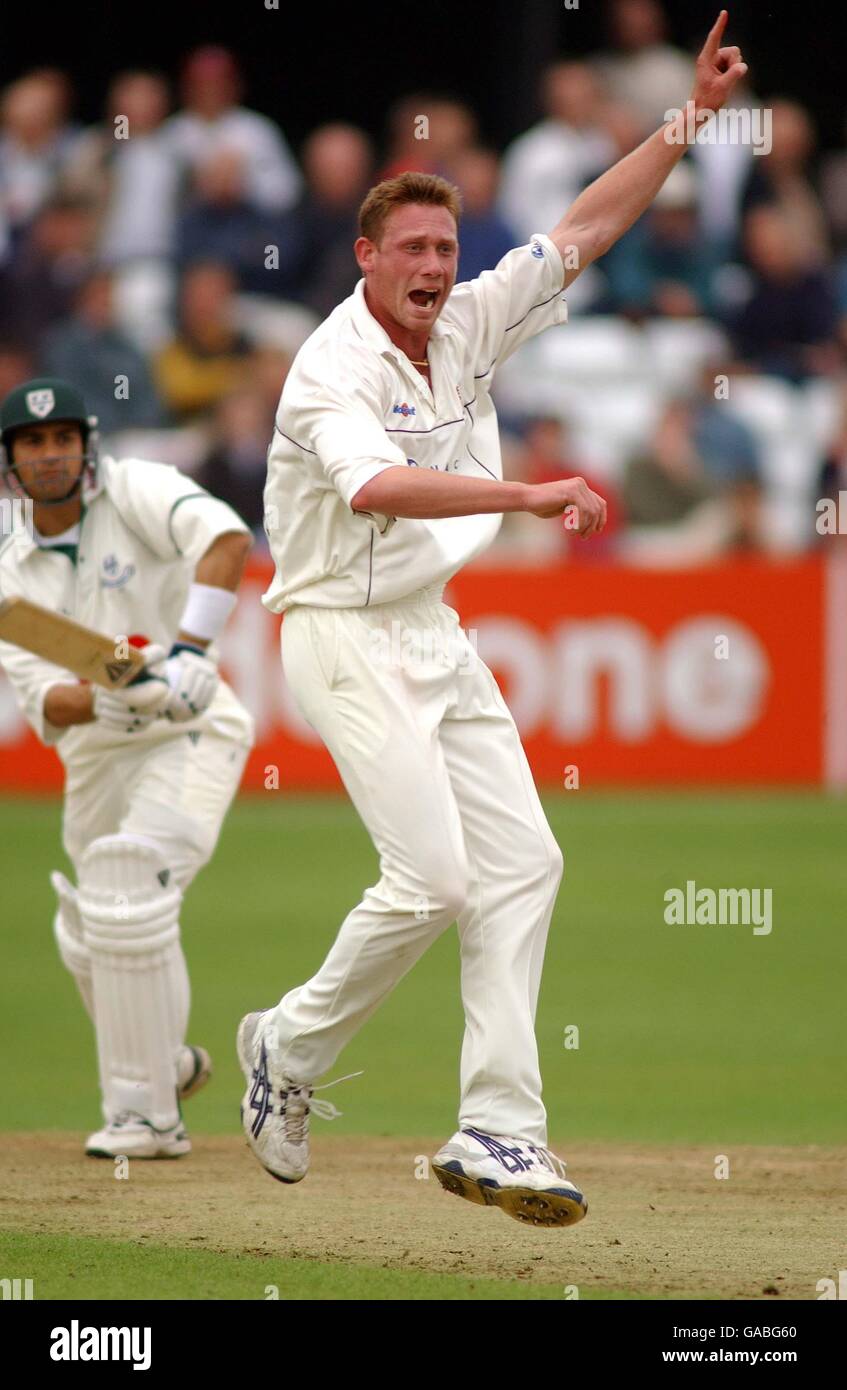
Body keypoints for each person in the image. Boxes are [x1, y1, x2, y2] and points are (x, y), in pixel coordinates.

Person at [239, 13, 748, 1227]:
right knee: (430, 879)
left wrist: (685, 121)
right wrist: (524, 492)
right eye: (408, 246)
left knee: (524, 861)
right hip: (335, 626)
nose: (430, 265)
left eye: (443, 245)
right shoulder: (329, 368)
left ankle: (503, 1128)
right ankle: (286, 1051)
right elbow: (373, 488)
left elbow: (582, 226)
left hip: (430, 624)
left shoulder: (470, 316)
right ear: (364, 257)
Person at [0, 377, 254, 1158]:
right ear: (11, 460)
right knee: (85, 928)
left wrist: (185, 657)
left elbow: (227, 542)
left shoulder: (139, 489)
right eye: (32, 443)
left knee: (129, 883)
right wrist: (114, 696)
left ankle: (146, 1119)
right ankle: (164, 1063)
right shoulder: (9, 570)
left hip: (193, 731)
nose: (50, 455)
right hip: (99, 753)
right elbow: (49, 702)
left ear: (87, 445)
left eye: (62, 438)